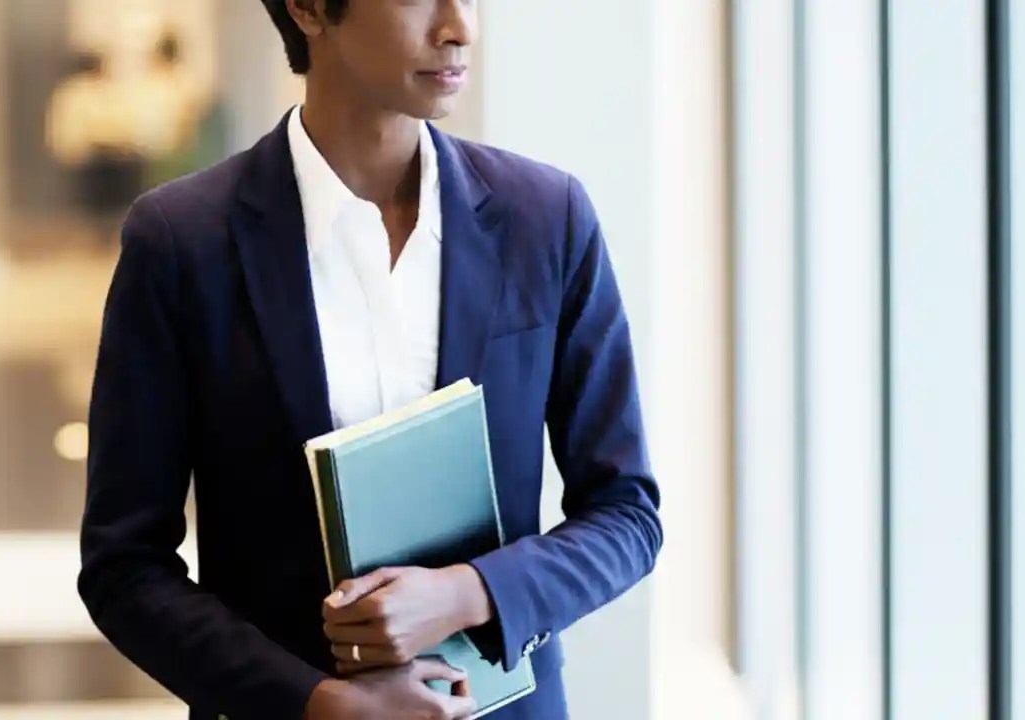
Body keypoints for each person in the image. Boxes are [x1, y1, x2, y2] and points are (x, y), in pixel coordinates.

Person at [77, 1, 663, 719]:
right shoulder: (183, 242)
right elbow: (124, 568)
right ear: (310, 8)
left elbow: (627, 514)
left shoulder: (547, 218)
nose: (460, 28)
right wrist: (316, 703)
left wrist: (466, 594)